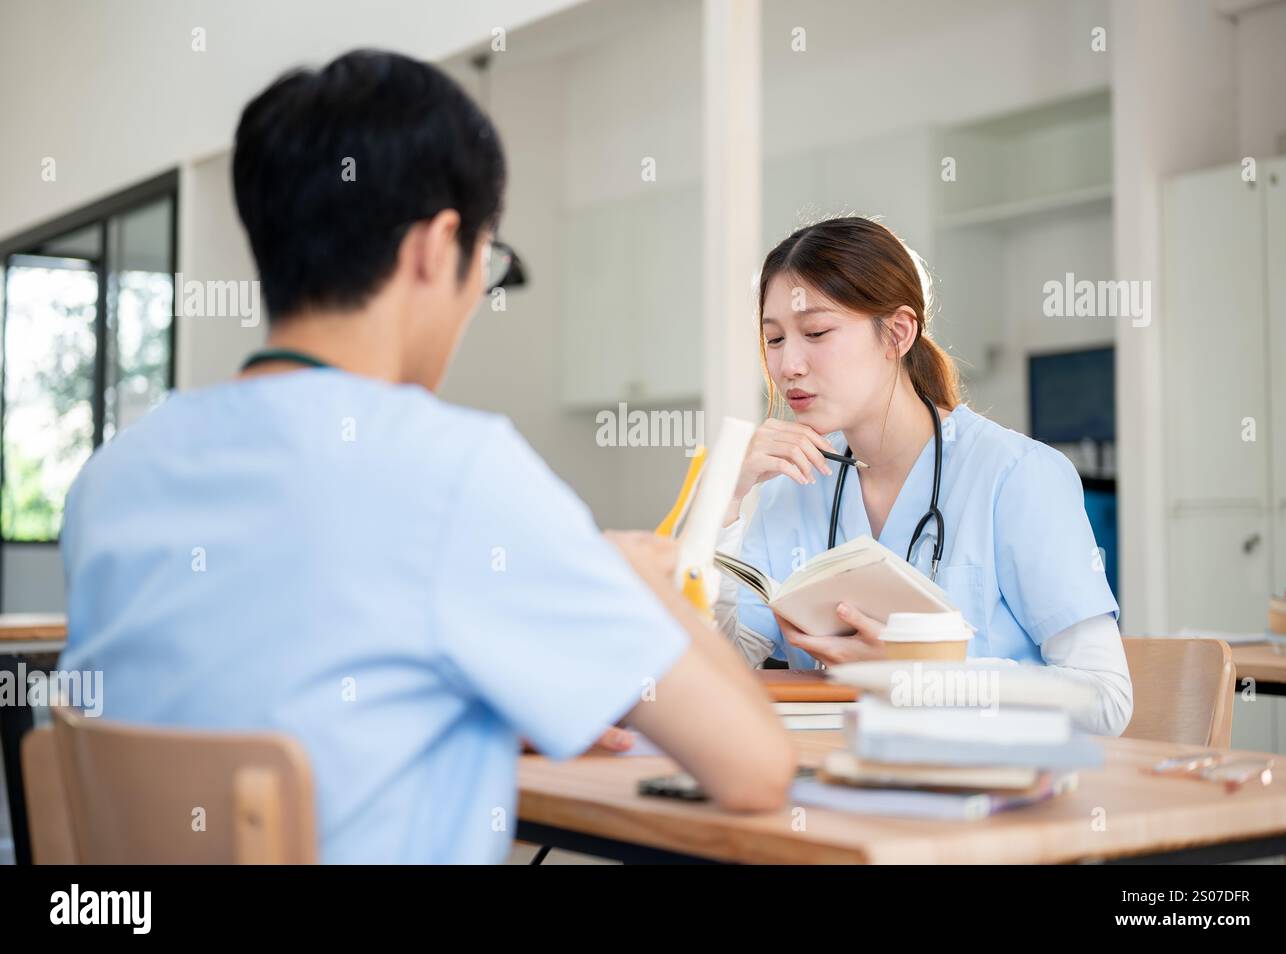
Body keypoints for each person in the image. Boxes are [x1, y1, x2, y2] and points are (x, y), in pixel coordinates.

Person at [57, 49, 793, 864]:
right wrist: (624, 580)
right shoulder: (456, 472)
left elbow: (252, 705)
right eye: (488, 260)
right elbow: (757, 768)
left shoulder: (114, 479)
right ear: (436, 248)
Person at [714, 217, 1132, 736]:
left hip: (983, 797)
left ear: (898, 332)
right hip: (834, 790)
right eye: (774, 339)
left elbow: (1106, 699)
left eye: (816, 333)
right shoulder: (792, 483)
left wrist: (925, 674)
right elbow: (717, 667)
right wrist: (725, 497)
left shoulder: (1014, 476)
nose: (788, 365)